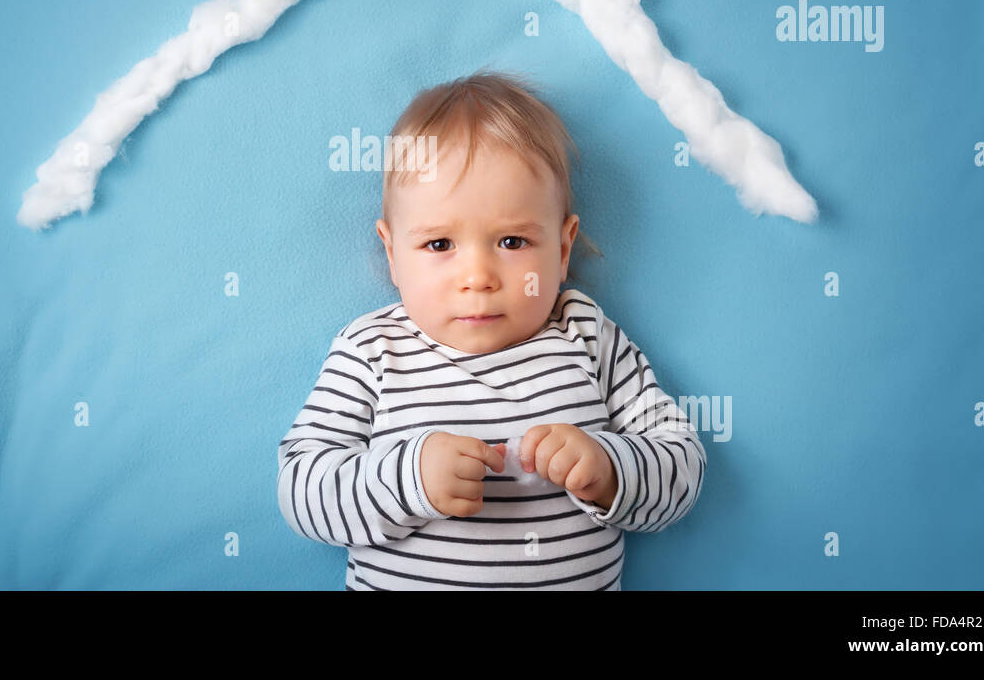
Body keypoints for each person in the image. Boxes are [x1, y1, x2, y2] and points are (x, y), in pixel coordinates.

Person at [277, 69, 706, 589]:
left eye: (512, 242)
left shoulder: (587, 335)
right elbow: (301, 488)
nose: (477, 278)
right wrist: (408, 480)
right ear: (393, 255)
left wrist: (612, 468)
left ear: (563, 248)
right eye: (439, 245)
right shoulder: (372, 349)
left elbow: (681, 463)